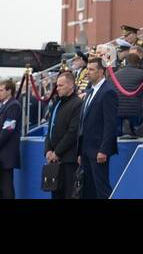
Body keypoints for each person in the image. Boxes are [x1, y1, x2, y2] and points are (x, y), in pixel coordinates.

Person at [78, 57, 118, 197]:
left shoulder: (108, 92)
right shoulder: (90, 91)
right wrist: (80, 152)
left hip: (98, 150)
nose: (87, 73)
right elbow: (84, 122)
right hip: (86, 150)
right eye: (87, 69)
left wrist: (104, 150)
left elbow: (110, 124)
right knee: (88, 189)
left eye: (91, 70)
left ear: (101, 72)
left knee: (102, 189)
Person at [44, 70, 83, 199]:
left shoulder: (77, 104)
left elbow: (73, 132)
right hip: (54, 162)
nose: (57, 89)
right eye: (57, 85)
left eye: (61, 85)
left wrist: (57, 152)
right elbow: (50, 128)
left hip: (68, 161)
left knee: (69, 195)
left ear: (71, 85)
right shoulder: (57, 103)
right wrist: (48, 150)